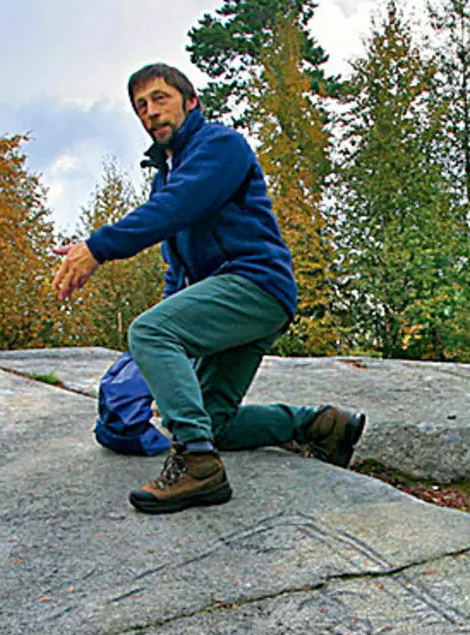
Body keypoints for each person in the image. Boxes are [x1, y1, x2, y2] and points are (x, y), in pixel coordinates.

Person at [51, 62, 365, 514]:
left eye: (160, 98)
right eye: (141, 106)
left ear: (190, 101)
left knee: (148, 332)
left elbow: (177, 208)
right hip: (240, 300)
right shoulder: (167, 175)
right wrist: (163, 345)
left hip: (253, 284)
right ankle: (321, 426)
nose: (151, 112)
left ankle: (198, 466)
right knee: (212, 421)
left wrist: (98, 248)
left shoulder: (220, 146)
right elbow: (176, 271)